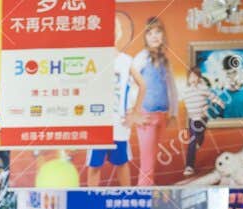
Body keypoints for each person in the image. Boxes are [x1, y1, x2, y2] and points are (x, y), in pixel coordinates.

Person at [88, 11, 135, 187]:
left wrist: (134, 111)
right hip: (98, 126)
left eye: (115, 27)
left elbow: (138, 88)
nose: (112, 31)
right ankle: (91, 200)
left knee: (122, 163)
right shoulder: (93, 58)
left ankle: (128, 197)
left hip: (119, 125)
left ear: (120, 32)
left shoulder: (126, 61)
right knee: (94, 165)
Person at [128, 17, 175, 187]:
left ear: (163, 34)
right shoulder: (141, 57)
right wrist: (134, 114)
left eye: (158, 31)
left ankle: (148, 192)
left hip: (162, 115)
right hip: (146, 116)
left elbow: (171, 87)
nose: (154, 36)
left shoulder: (165, 59)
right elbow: (128, 85)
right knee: (147, 164)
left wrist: (174, 112)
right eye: (150, 33)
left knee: (152, 162)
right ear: (145, 37)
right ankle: (144, 197)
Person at [180, 67, 221, 177]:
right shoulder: (185, 90)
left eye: (195, 76)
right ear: (188, 79)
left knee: (201, 135)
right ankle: (189, 166)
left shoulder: (203, 88)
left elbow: (212, 96)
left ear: (199, 78)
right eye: (191, 76)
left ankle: (199, 142)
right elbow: (178, 98)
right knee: (192, 141)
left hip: (203, 118)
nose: (193, 79)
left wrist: (219, 102)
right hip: (193, 119)